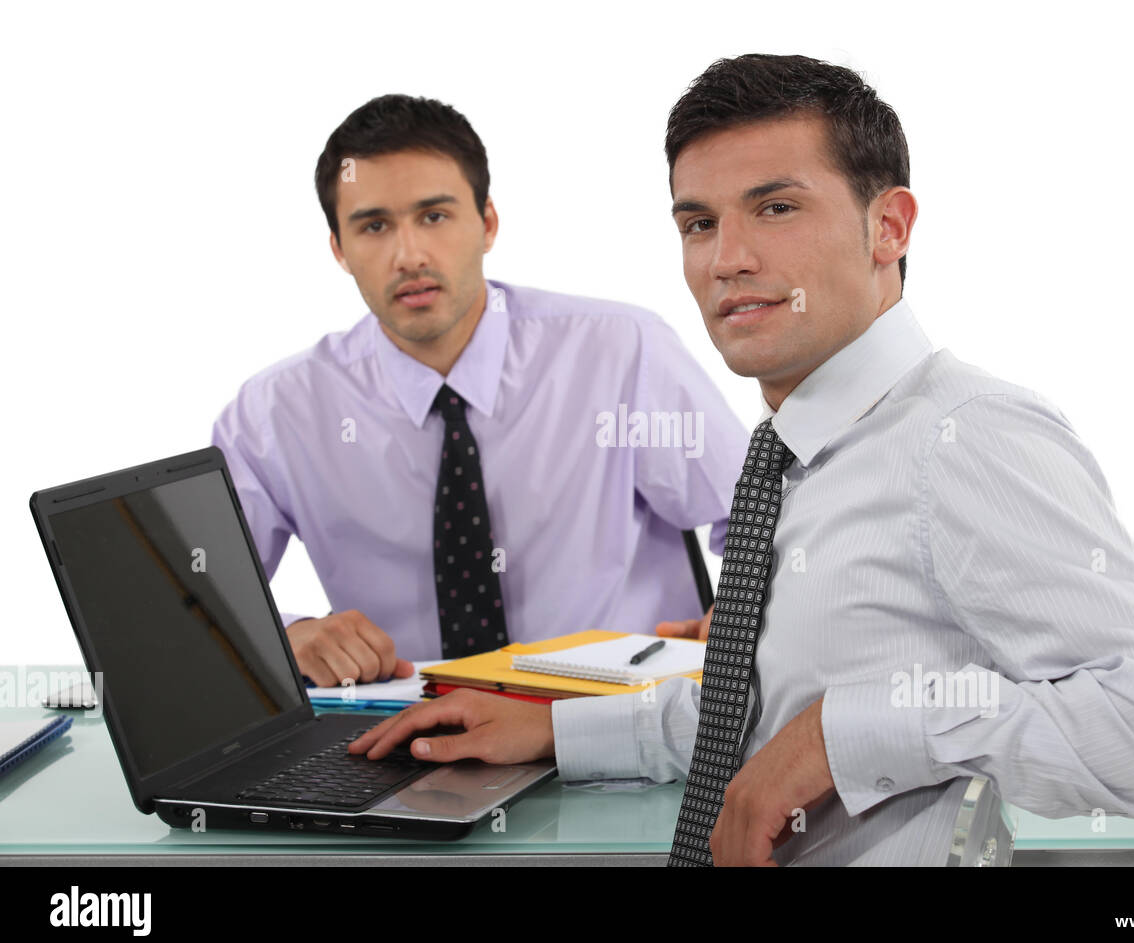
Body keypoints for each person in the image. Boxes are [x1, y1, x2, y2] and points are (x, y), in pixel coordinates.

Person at [349, 55, 1134, 866]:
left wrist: (840, 735)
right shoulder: (792, 451)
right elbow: (760, 709)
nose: (727, 260)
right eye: (699, 223)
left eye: (776, 208)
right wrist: (555, 731)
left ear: (889, 227)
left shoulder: (965, 436)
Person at [212, 94, 748, 687]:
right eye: (374, 226)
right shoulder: (274, 414)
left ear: (487, 224)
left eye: (434, 216)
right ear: (339, 248)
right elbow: (199, 593)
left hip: (618, 715)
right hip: (404, 725)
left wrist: (744, 611)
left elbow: (763, 516)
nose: (409, 255)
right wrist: (285, 635)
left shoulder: (621, 351)